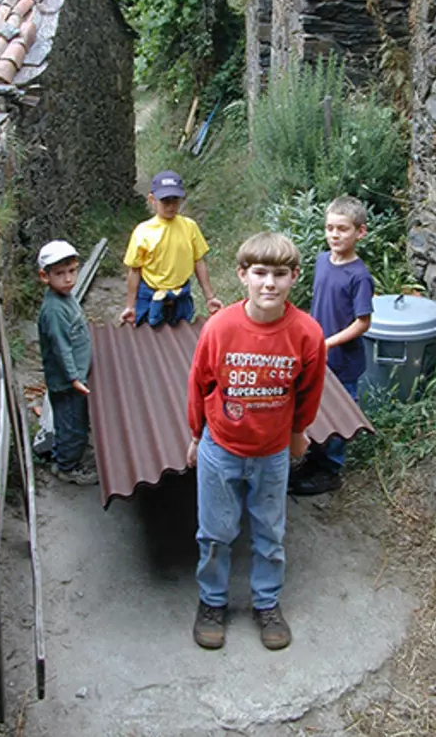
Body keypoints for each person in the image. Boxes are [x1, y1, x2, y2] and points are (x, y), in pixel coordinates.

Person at [186, 232, 326, 651]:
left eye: (280, 274)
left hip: (271, 453)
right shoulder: (221, 327)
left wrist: (298, 432)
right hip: (221, 448)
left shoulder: (307, 333)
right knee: (215, 532)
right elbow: (200, 384)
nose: (269, 283)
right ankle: (212, 602)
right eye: (260, 273)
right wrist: (196, 436)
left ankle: (266, 603)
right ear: (242, 274)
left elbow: (309, 391)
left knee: (269, 531)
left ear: (294, 277)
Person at [291, 195, 374, 495]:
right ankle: (314, 459)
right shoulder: (323, 260)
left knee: (339, 412)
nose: (335, 235)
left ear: (360, 232)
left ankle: (330, 470)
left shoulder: (359, 276)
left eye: (343, 229)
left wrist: (329, 343)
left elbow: (363, 322)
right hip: (317, 353)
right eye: (330, 228)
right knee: (316, 407)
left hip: (344, 361)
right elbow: (318, 303)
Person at [119, 170, 222, 327]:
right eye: (165, 201)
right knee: (149, 338)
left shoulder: (189, 227)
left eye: (175, 200)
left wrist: (209, 297)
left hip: (180, 295)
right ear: (152, 199)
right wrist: (130, 306)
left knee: (180, 338)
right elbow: (135, 270)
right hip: (150, 296)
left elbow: (198, 262)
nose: (171, 206)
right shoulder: (143, 232)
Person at [37, 240, 98, 486]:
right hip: (67, 383)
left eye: (72, 271)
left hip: (75, 378)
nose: (69, 279)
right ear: (45, 276)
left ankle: (69, 454)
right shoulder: (53, 310)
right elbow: (61, 349)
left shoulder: (65, 297)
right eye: (60, 274)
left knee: (74, 421)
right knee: (72, 424)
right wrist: (74, 378)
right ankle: (66, 467)